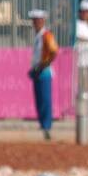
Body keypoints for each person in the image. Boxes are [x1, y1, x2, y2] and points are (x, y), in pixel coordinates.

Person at [27, 8, 57, 140]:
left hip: (44, 72)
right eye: (34, 21)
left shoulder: (46, 35)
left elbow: (53, 51)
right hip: (37, 71)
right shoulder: (38, 36)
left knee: (45, 100)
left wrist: (42, 66)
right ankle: (42, 124)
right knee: (39, 99)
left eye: (37, 21)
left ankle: (46, 126)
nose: (35, 23)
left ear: (42, 21)